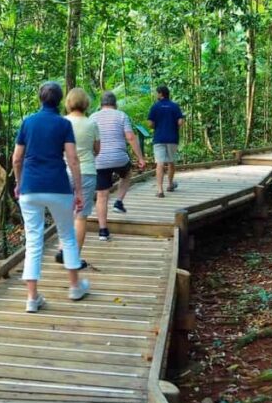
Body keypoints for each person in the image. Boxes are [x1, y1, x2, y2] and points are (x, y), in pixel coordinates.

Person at [12, 82, 90, 312]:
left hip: (30, 188)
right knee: (67, 236)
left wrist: (19, 183)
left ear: (40, 99)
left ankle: (32, 298)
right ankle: (75, 286)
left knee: (34, 241)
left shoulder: (28, 122)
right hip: (57, 186)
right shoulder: (63, 124)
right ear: (59, 101)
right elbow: (73, 159)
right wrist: (78, 190)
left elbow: (17, 158)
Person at [90, 91, 146, 241]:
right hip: (119, 158)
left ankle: (103, 231)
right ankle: (119, 201)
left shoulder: (92, 117)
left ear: (100, 105)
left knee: (102, 196)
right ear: (115, 104)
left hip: (99, 160)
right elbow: (130, 137)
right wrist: (140, 157)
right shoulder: (121, 115)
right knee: (127, 174)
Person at [55, 88, 100, 267]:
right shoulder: (91, 124)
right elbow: (97, 150)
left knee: (65, 213)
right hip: (87, 171)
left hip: (64, 171)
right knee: (81, 216)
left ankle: (61, 248)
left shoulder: (62, 122)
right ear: (86, 103)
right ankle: (74, 257)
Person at [147, 85, 185, 197]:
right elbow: (180, 122)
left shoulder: (155, 107)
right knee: (171, 162)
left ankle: (159, 190)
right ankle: (170, 184)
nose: (155, 95)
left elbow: (150, 123)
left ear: (160, 94)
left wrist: (156, 126)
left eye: (156, 93)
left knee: (160, 163)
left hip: (159, 138)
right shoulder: (175, 106)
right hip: (172, 138)